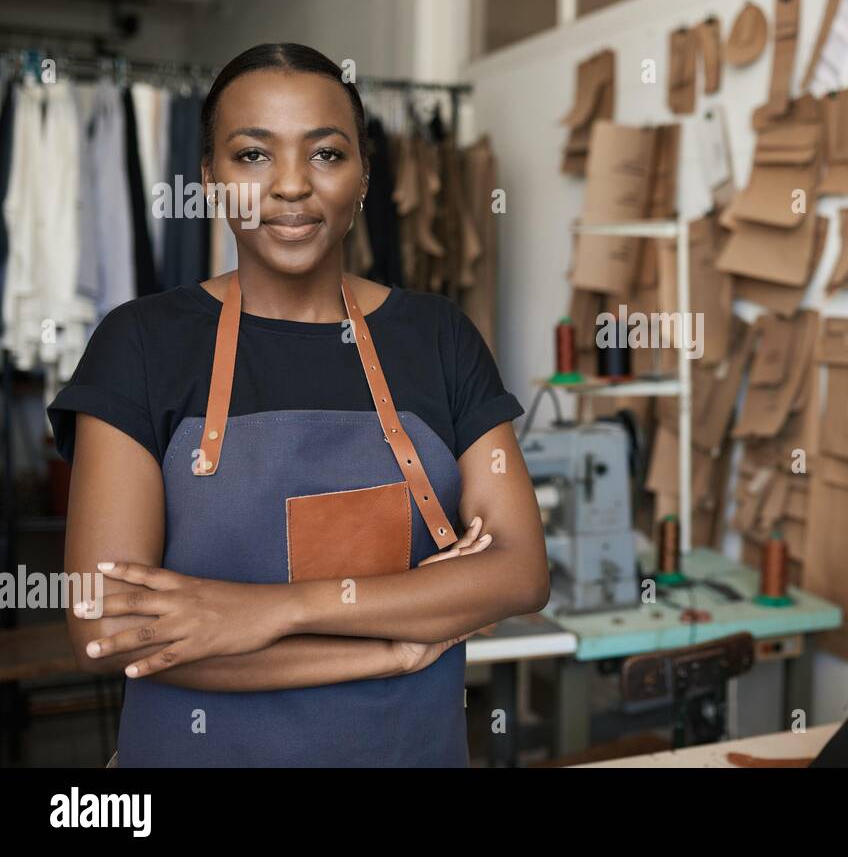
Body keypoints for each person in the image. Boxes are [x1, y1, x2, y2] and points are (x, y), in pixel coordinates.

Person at [49, 43, 548, 767]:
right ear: (210, 179)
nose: (290, 185)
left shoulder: (439, 337)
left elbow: (520, 571)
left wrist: (267, 610)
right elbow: (106, 627)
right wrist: (393, 643)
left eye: (326, 154)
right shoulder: (141, 346)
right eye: (253, 155)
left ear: (365, 176)